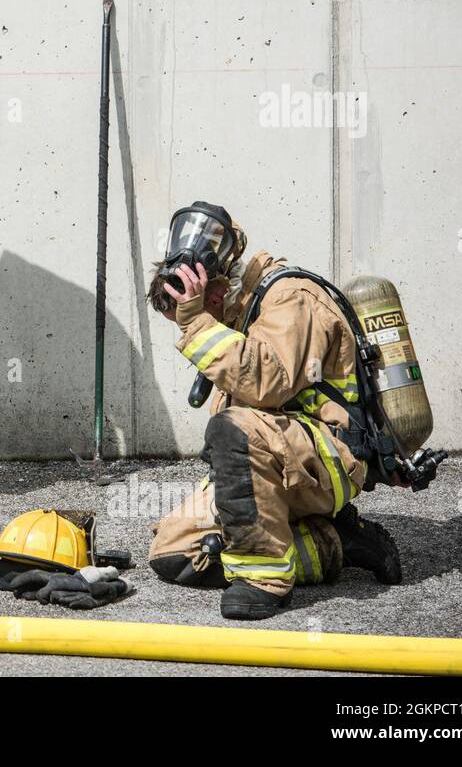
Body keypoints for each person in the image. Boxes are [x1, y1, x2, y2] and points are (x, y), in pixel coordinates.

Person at [145, 202, 401, 620]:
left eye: (194, 309)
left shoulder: (291, 297)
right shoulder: (237, 315)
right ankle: (337, 541)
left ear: (213, 289)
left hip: (329, 459)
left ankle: (263, 580)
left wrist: (197, 325)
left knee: (234, 430)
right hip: (278, 461)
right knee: (175, 553)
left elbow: (266, 382)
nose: (191, 323)